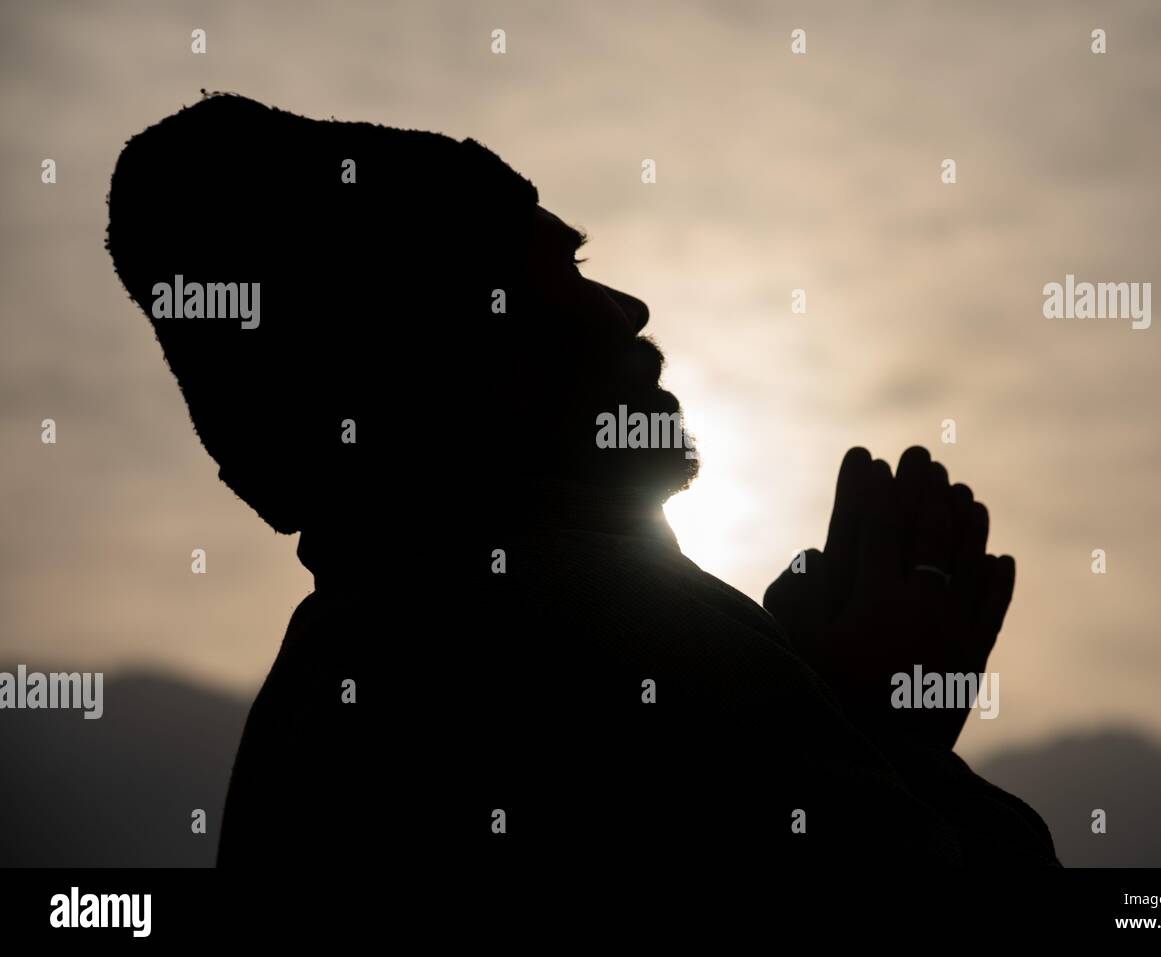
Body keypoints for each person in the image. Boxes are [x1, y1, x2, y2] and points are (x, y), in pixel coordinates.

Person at [107, 93, 1057, 865]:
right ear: (460, 356)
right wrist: (886, 737)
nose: (628, 305)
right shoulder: (592, 641)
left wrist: (816, 703)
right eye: (564, 268)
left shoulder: (344, 676)